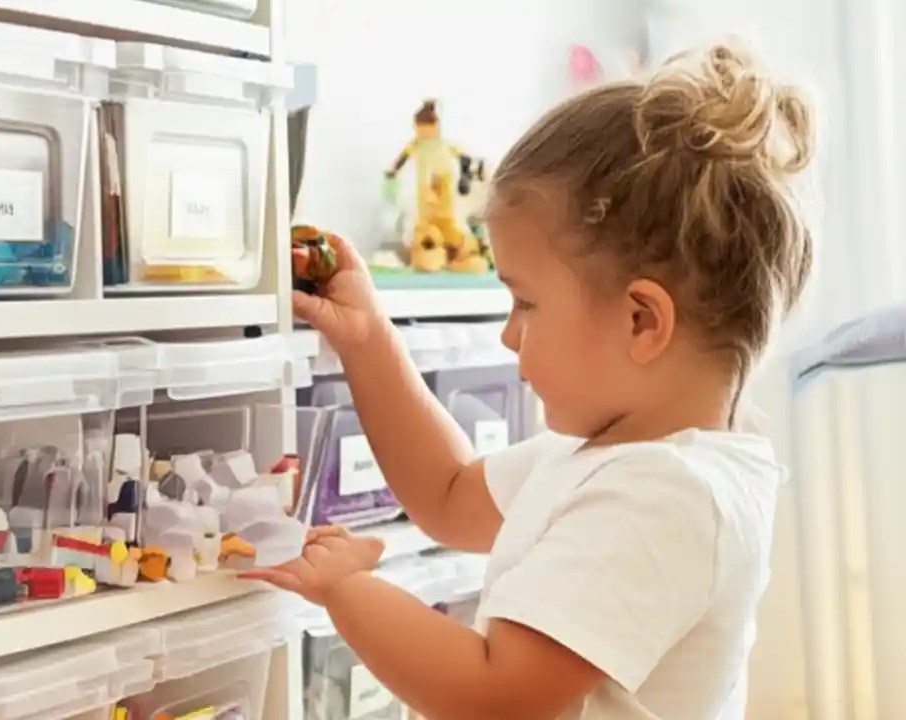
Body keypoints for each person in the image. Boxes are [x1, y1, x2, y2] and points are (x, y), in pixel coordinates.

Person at [244, 40, 815, 720]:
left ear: (642, 322)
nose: (509, 334)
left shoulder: (664, 497)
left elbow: (496, 696)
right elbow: (449, 494)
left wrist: (347, 589)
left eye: (526, 303)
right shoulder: (618, 456)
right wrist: (368, 339)